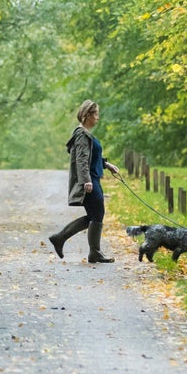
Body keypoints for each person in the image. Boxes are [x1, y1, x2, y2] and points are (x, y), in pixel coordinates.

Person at [48, 99, 118, 263]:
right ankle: (92, 251)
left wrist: (106, 164)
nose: (98, 118)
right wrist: (86, 181)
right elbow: (81, 160)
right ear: (87, 115)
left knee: (94, 215)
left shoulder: (85, 135)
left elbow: (92, 158)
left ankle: (62, 238)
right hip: (90, 180)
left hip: (93, 178)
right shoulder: (81, 136)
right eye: (95, 114)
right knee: (97, 214)